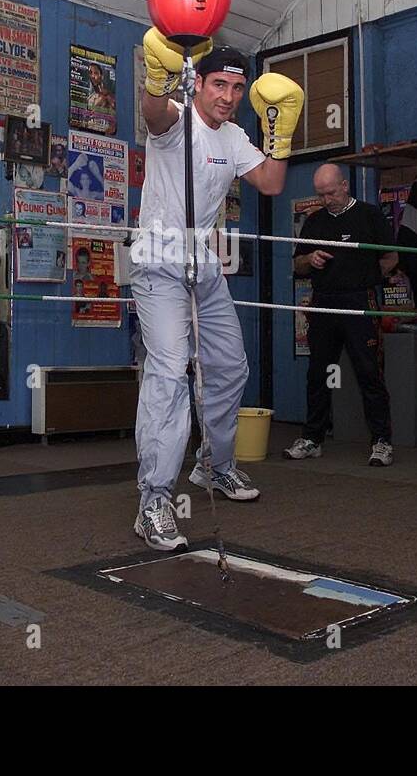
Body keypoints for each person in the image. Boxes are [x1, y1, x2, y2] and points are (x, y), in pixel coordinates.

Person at [130, 27, 301, 550]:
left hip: (202, 264)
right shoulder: (177, 120)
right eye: (218, 85)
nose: (227, 97)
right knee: (168, 375)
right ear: (198, 84)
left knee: (230, 366)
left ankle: (214, 464)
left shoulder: (232, 137)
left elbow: (270, 183)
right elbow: (152, 115)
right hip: (159, 261)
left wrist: (280, 135)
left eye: (236, 88)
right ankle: (154, 501)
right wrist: (154, 80)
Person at [284, 163, 398, 466]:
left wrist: (367, 278)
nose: (326, 199)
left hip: (360, 300)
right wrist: (310, 258)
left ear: (345, 186)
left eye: (331, 193)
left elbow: (391, 257)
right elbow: (297, 265)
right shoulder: (315, 221)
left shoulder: (369, 215)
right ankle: (313, 438)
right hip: (324, 302)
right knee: (318, 372)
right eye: (320, 194)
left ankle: (382, 441)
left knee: (369, 372)